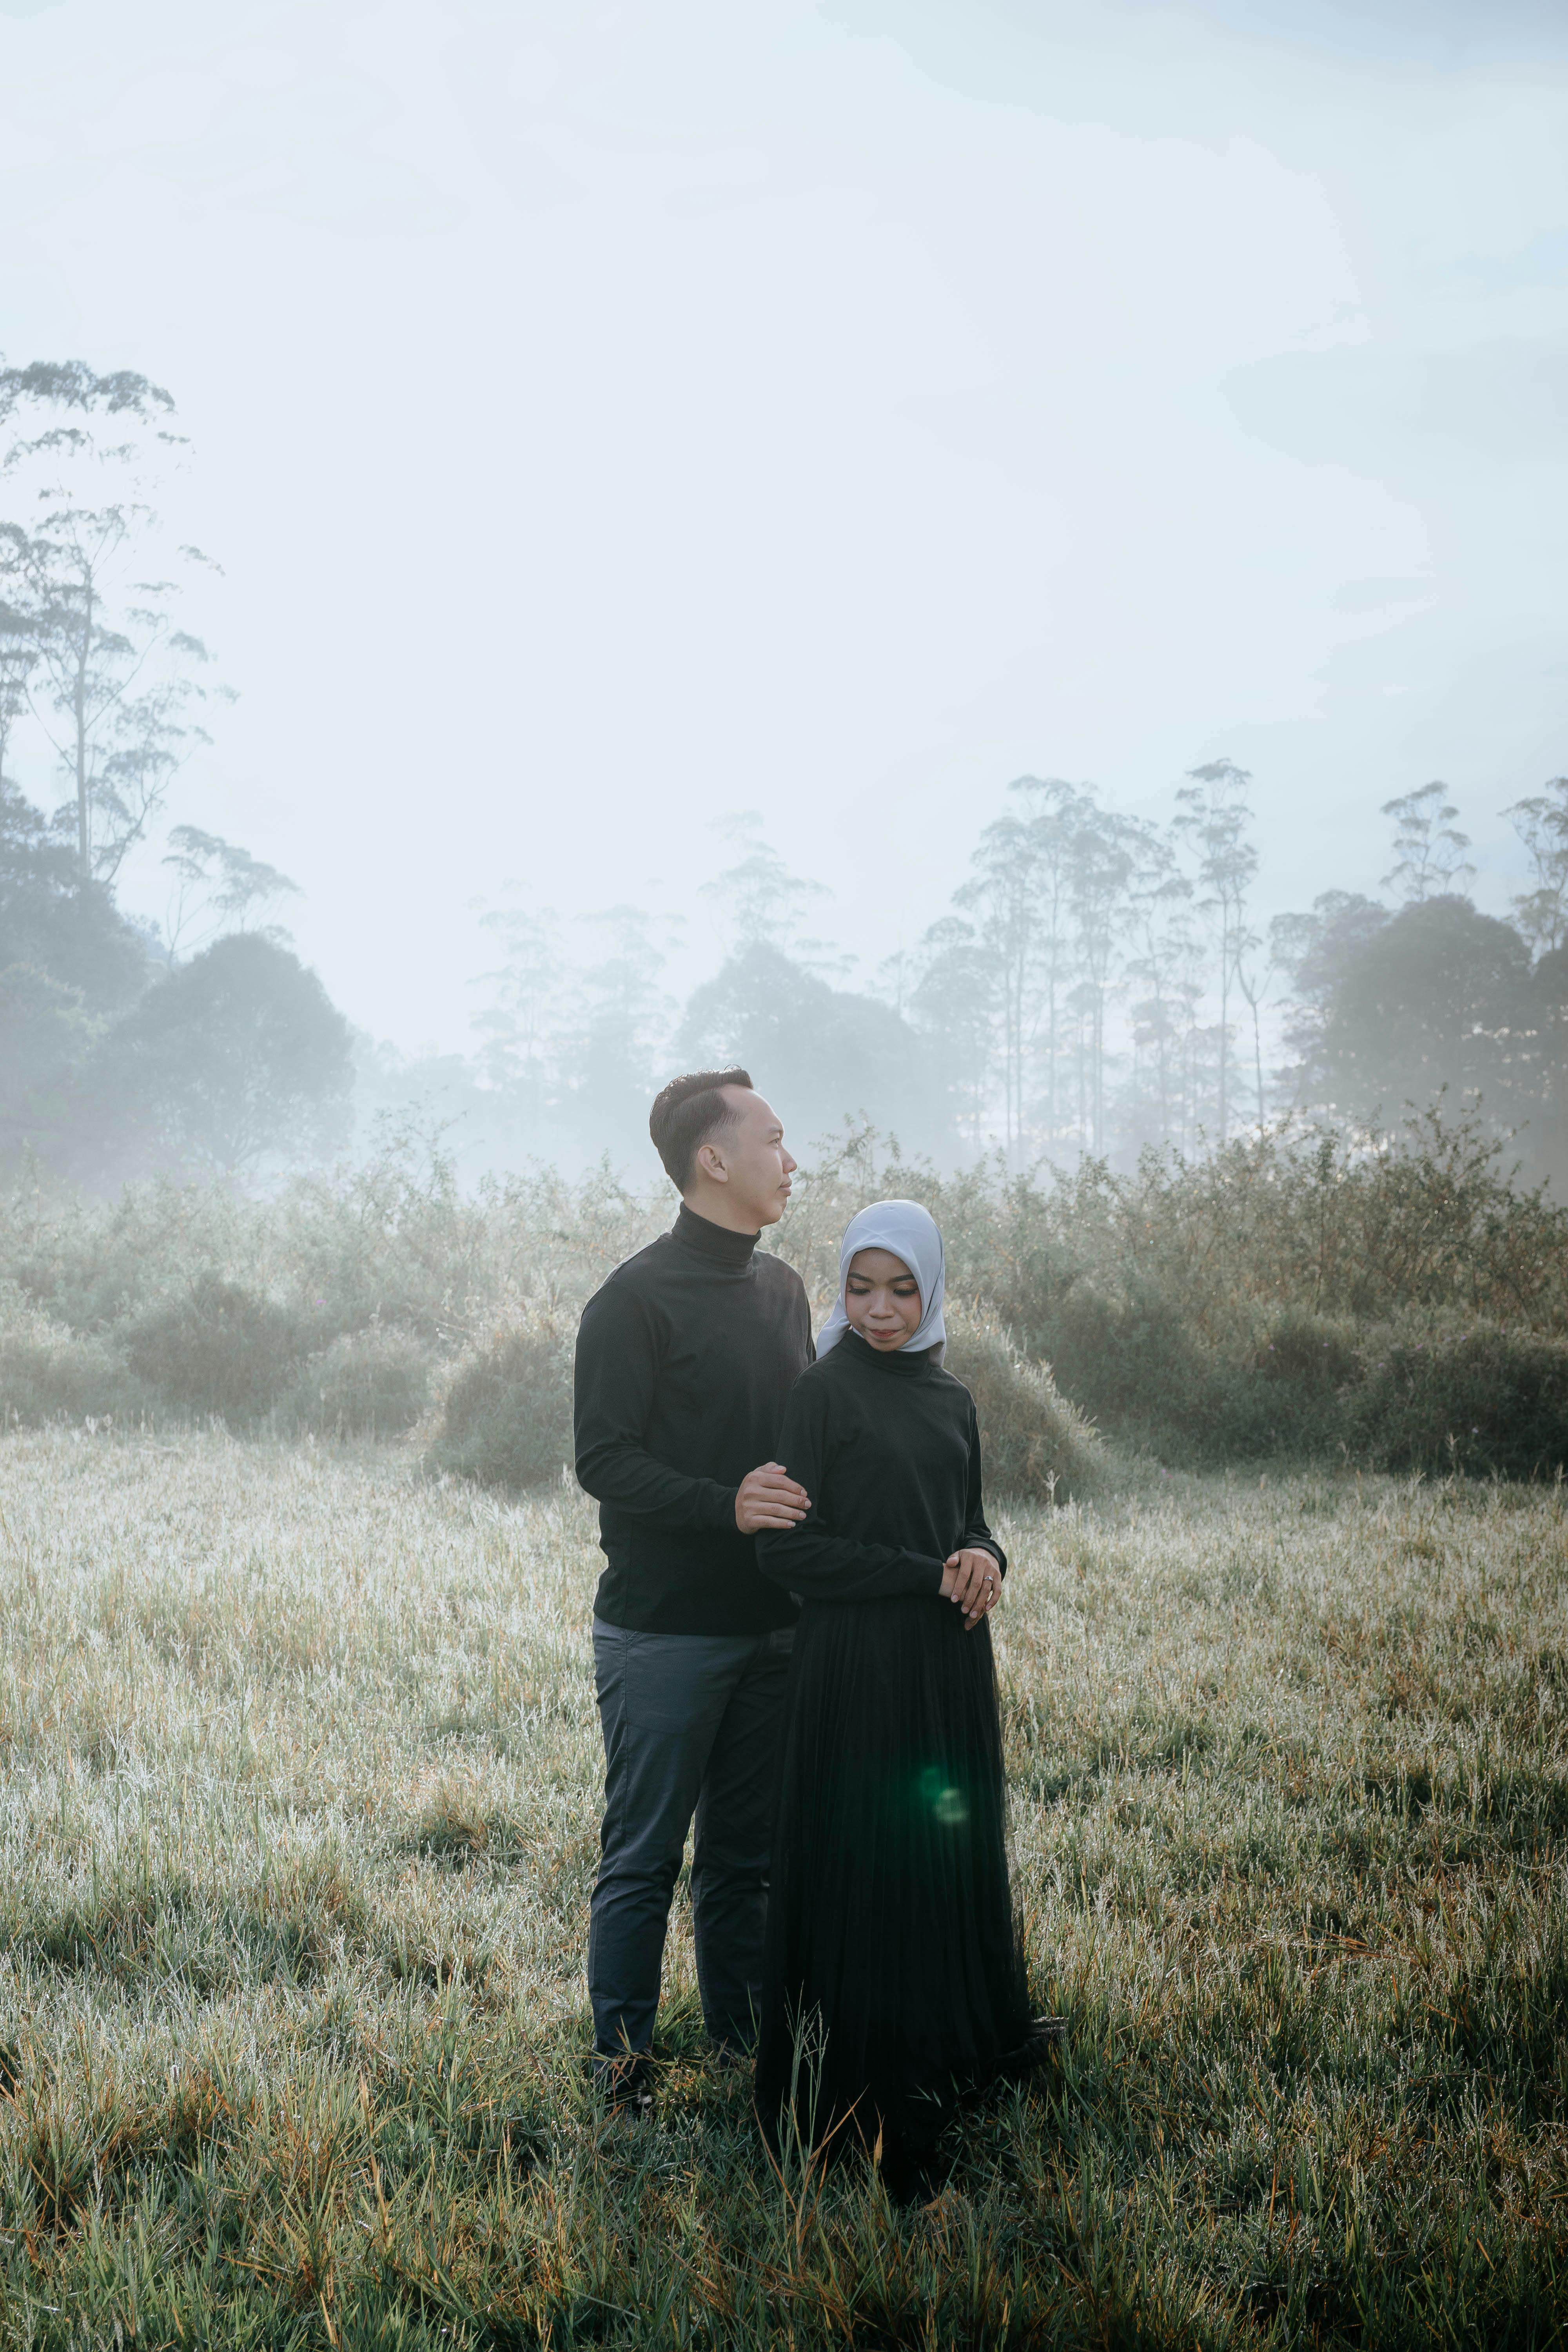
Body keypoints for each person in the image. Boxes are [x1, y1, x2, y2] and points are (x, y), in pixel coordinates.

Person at [753, 1199, 1040, 2201]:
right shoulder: (821, 1392)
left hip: (947, 1662)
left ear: (931, 1291)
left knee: (939, 1854)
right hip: (855, 1664)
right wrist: (923, 1575)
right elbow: (786, 1552)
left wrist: (984, 1558)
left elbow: (970, 1520)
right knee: (871, 1864)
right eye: (861, 1288)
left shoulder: (953, 1397)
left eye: (902, 1289)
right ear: (841, 1291)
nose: (880, 1310)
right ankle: (869, 2094)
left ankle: (950, 2052)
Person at [573, 1068, 814, 2108]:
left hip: (776, 1628)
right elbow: (603, 1459)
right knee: (643, 1860)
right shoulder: (632, 1300)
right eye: (772, 1140)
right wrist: (727, 1505)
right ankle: (622, 2072)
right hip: (665, 1634)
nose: (790, 1161)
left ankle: (741, 2048)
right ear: (712, 1160)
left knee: (745, 1864)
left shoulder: (786, 1291)